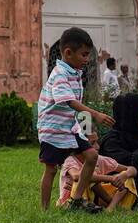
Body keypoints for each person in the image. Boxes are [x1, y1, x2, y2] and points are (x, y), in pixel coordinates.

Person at [37, 27, 115, 211]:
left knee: (92, 155)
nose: (87, 59)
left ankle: (76, 200)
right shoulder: (59, 74)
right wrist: (95, 114)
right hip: (53, 130)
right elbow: (70, 102)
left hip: (70, 129)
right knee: (51, 169)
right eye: (84, 55)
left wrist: (86, 127)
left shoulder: (74, 73)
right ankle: (45, 210)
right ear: (68, 53)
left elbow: (75, 106)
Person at [58, 136, 138, 212]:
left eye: (97, 142)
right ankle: (114, 206)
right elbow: (76, 176)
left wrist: (125, 175)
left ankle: (111, 207)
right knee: (86, 178)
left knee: (128, 178)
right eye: (92, 143)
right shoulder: (70, 160)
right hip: (71, 201)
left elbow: (132, 169)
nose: (97, 146)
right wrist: (111, 179)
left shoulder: (99, 159)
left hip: (95, 199)